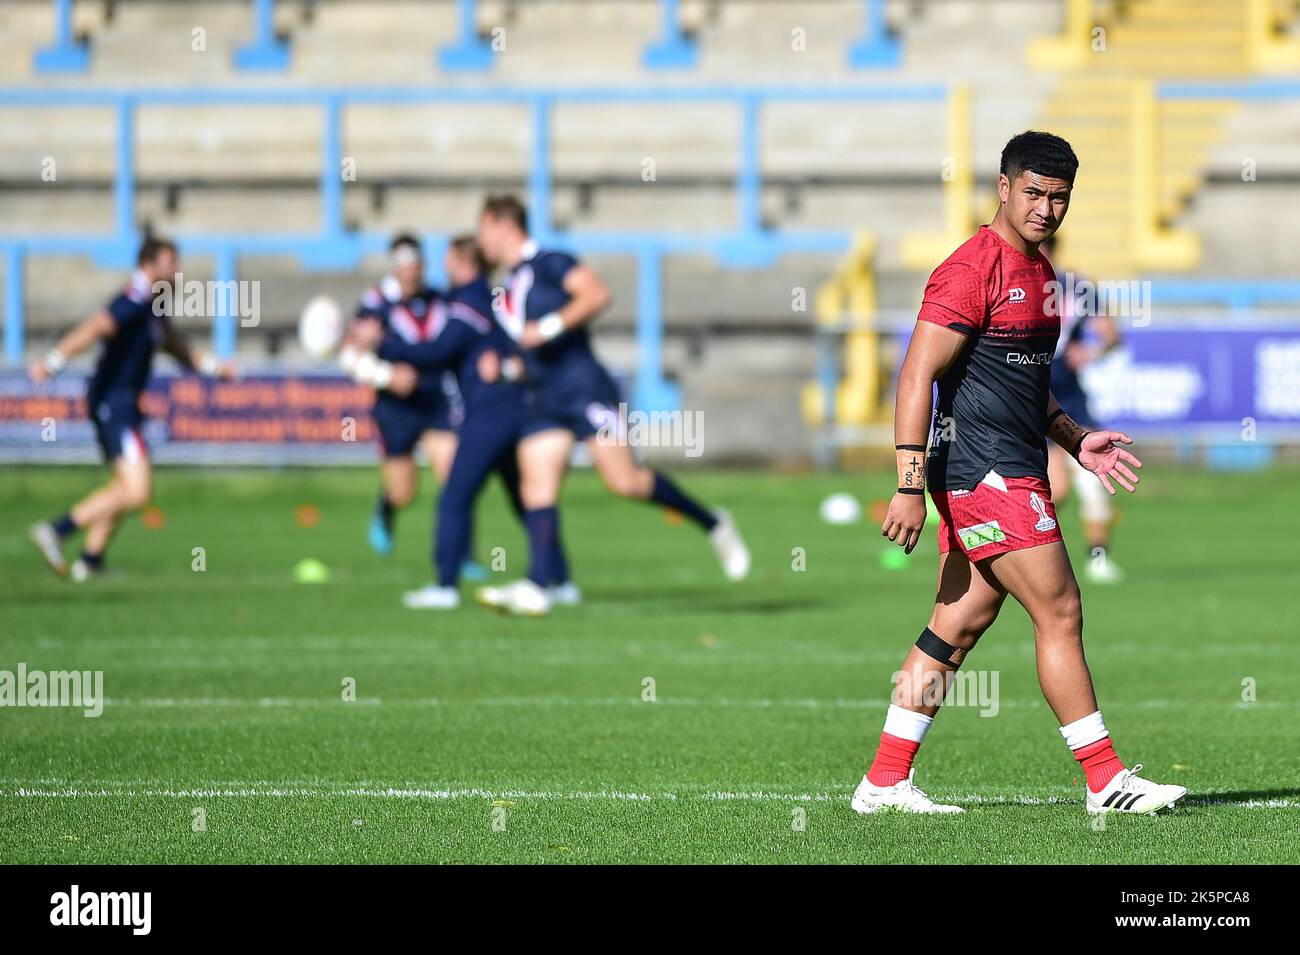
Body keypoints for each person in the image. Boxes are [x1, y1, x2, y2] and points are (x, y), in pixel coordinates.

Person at [856, 131, 1185, 816]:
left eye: (1059, 197)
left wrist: (1074, 439)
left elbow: (1028, 384)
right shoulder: (969, 270)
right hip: (987, 475)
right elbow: (916, 373)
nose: (1046, 207)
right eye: (1034, 192)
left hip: (1013, 465)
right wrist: (908, 486)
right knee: (1060, 608)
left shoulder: (1040, 275)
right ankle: (1105, 780)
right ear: (1004, 187)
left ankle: (884, 780)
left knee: (956, 627)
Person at [471, 195, 751, 617]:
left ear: (501, 224)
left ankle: (713, 522)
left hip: (583, 387)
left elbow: (597, 294)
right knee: (536, 486)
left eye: (483, 229)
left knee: (625, 482)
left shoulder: (551, 262)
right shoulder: (508, 286)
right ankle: (539, 583)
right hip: (543, 395)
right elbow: (527, 347)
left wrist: (545, 328)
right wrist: (506, 366)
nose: (480, 240)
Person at [27, 237, 234, 580]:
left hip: (122, 403)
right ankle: (56, 531)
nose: (178, 272)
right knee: (138, 491)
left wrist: (213, 368)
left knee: (123, 487)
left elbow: (173, 344)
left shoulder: (154, 305)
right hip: (114, 403)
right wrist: (53, 360)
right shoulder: (135, 300)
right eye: (171, 264)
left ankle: (90, 562)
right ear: (149, 266)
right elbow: (97, 326)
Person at [1040, 235, 1125, 584]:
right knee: (1054, 490)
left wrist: (1091, 351)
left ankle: (1098, 556)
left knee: (1094, 482)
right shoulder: (1012, 285)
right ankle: (1040, 555)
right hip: (1036, 401)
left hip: (1072, 401)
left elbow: (1110, 333)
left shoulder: (1074, 287)